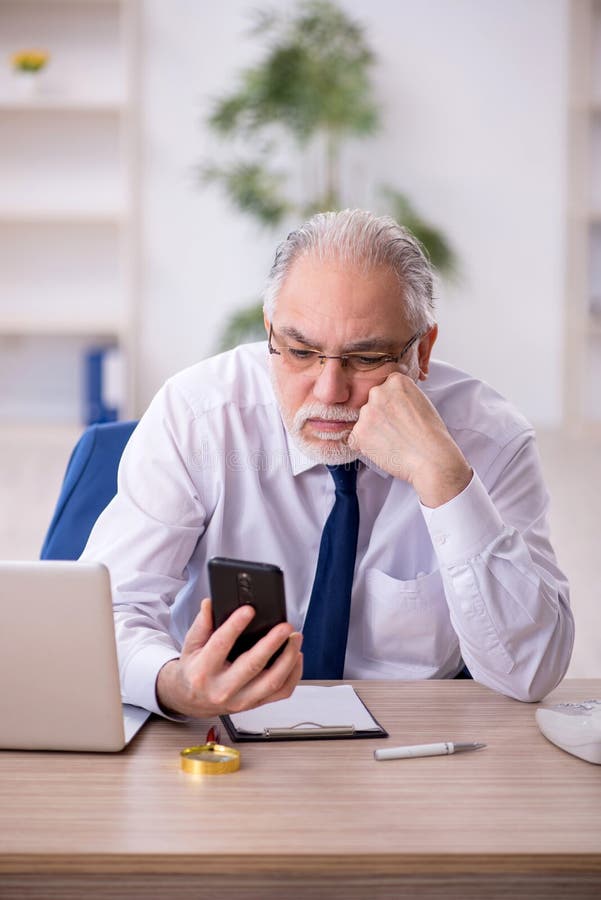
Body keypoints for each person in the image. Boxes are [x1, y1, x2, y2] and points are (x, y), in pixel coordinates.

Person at [81, 209, 574, 719]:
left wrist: (446, 481)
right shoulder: (198, 416)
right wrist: (176, 685)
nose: (329, 391)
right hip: (224, 734)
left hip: (413, 744)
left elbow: (531, 672)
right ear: (270, 332)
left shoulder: (490, 440)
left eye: (366, 359)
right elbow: (102, 620)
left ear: (422, 351)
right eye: (299, 351)